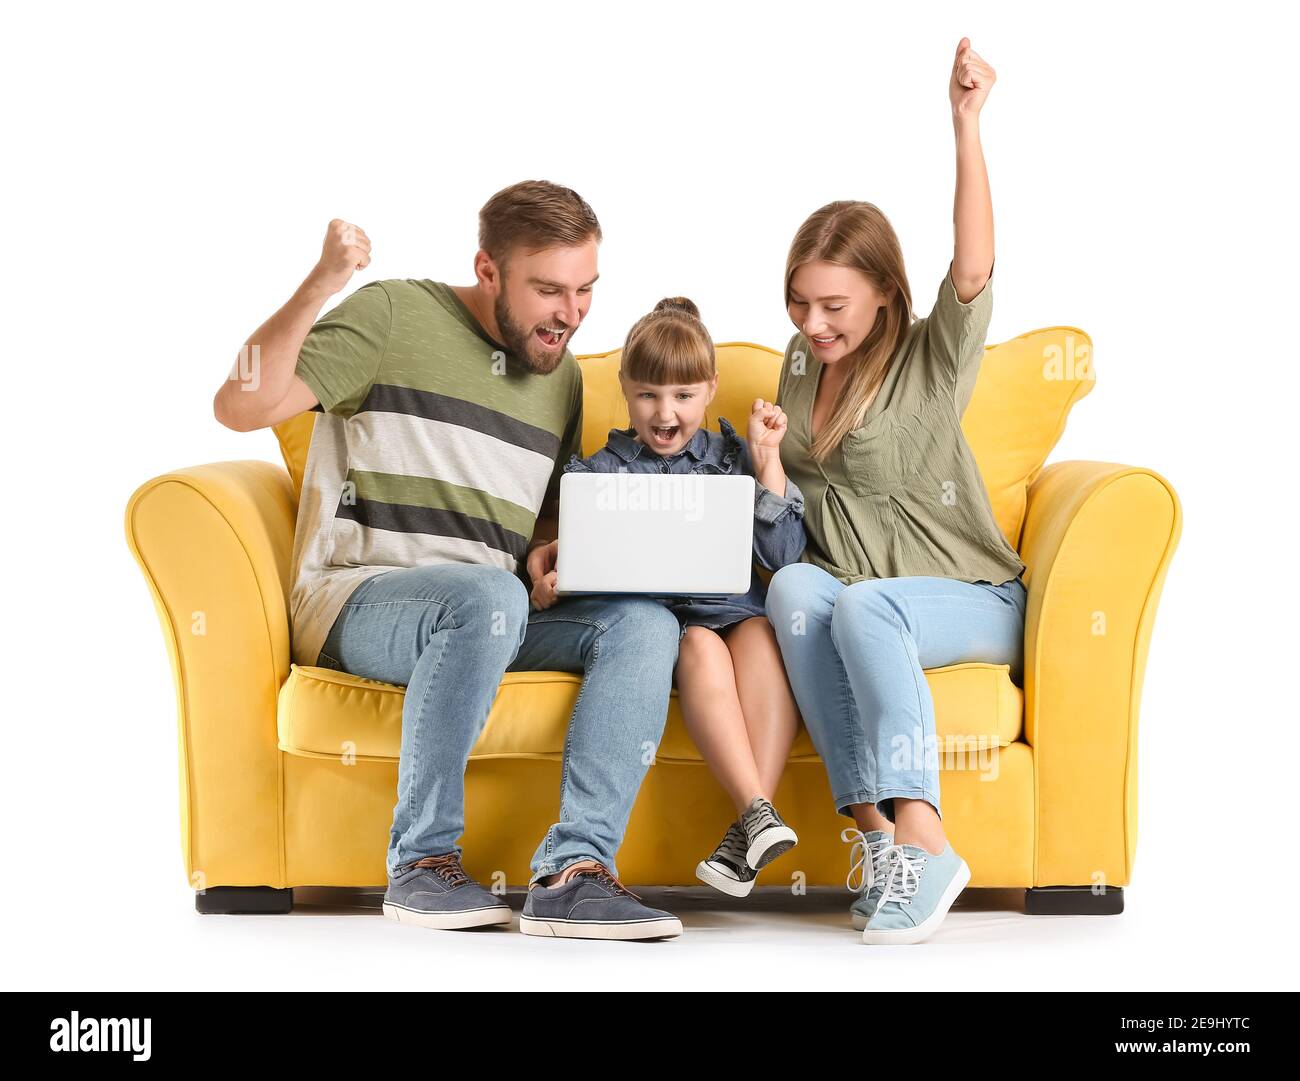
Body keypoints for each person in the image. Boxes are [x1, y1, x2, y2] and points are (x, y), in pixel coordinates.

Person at [212, 181, 683, 941]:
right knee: (486, 598)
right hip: (362, 600)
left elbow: (532, 524)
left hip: (495, 606)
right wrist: (323, 282)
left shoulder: (557, 378)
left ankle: (574, 871)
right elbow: (238, 403)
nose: (570, 313)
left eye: (587, 289)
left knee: (645, 624)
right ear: (488, 270)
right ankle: (422, 862)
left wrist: (544, 560)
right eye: (548, 290)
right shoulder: (394, 315)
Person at [764, 38, 1026, 945]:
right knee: (797, 589)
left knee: (867, 607)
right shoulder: (801, 366)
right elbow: (797, 508)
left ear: (881, 292)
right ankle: (877, 838)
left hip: (970, 596)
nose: (813, 322)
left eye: (834, 304)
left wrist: (965, 124)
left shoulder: (931, 355)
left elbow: (974, 265)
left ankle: (928, 834)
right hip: (857, 596)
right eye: (801, 302)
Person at [534, 296, 806, 897]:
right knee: (704, 646)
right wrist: (551, 575)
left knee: (761, 633)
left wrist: (767, 465)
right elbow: (575, 567)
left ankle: (747, 832)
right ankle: (754, 810)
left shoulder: (732, 459)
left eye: (683, 397)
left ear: (710, 390)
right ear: (625, 390)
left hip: (738, 613)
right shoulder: (598, 472)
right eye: (649, 395)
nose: (665, 412)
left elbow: (784, 560)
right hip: (672, 630)